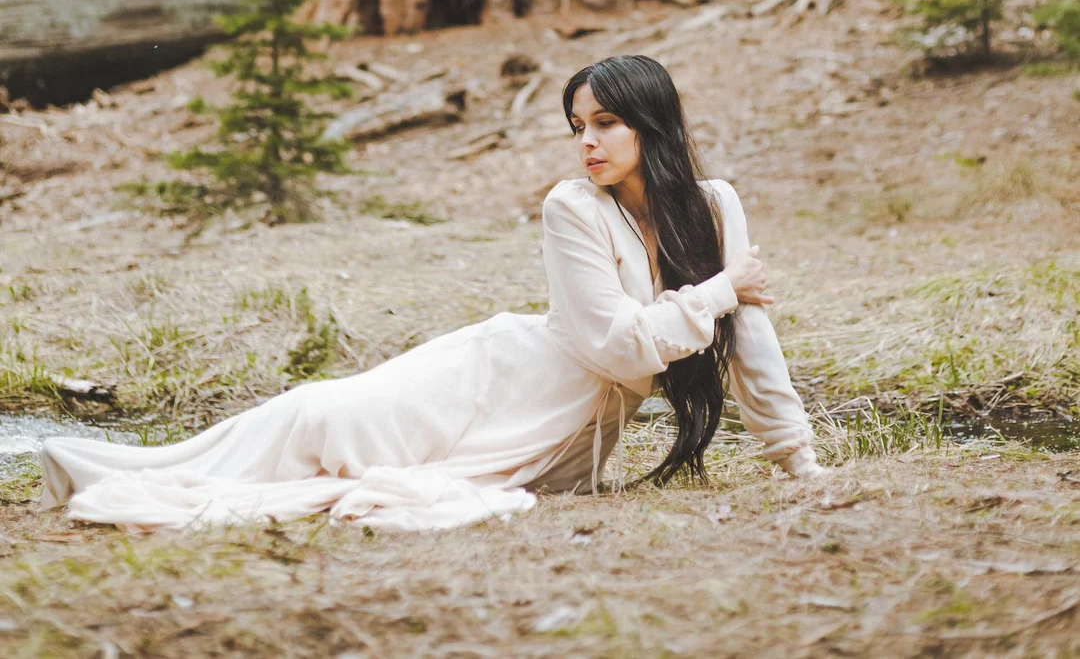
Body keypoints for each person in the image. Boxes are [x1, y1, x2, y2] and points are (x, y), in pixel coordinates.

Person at [42, 54, 820, 532]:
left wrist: (799, 464)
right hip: (491, 377)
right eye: (577, 125)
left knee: (336, 469)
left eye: (606, 123)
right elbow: (612, 344)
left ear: (652, 124)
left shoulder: (715, 204)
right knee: (320, 417)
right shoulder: (570, 206)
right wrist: (720, 290)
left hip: (554, 432)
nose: (586, 141)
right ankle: (109, 470)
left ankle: (129, 473)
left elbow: (752, 341)